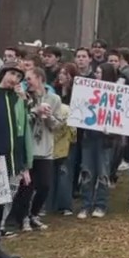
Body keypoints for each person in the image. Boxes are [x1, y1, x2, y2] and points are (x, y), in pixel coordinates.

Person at [0, 60, 32, 258]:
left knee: (2, 203)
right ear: (3, 73)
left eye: (19, 77)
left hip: (13, 160)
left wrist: (24, 163)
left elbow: (21, 131)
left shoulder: (17, 100)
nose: (15, 79)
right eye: (12, 74)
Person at [11, 67, 63, 232]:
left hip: (46, 148)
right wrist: (34, 111)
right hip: (30, 148)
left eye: (29, 79)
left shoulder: (54, 99)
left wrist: (47, 116)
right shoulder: (24, 98)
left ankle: (34, 214)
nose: (27, 83)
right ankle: (23, 217)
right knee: (27, 186)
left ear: (40, 78)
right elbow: (21, 119)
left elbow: (57, 125)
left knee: (45, 185)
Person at [76, 62, 122, 218]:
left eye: (99, 73)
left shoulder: (115, 95)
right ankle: (85, 204)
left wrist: (111, 130)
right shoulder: (88, 90)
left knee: (103, 173)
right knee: (87, 172)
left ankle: (100, 205)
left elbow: (119, 119)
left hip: (106, 141)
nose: (96, 75)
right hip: (89, 137)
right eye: (95, 72)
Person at [51, 64, 79, 216]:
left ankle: (64, 204)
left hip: (69, 137)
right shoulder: (53, 91)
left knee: (65, 170)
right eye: (60, 73)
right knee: (52, 170)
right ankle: (50, 203)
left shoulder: (76, 94)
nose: (61, 76)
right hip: (54, 135)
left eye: (65, 73)